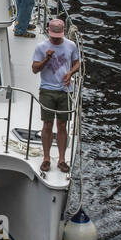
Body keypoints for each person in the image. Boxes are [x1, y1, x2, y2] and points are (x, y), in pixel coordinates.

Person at [31, 18, 80, 173]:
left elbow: (78, 63)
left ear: (63, 33)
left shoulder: (71, 45)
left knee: (62, 125)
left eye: (58, 37)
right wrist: (46, 58)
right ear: (49, 33)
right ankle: (46, 158)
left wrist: (70, 73)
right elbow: (34, 69)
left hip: (65, 90)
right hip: (47, 89)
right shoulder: (41, 47)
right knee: (47, 124)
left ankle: (61, 159)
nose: (55, 39)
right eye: (53, 36)